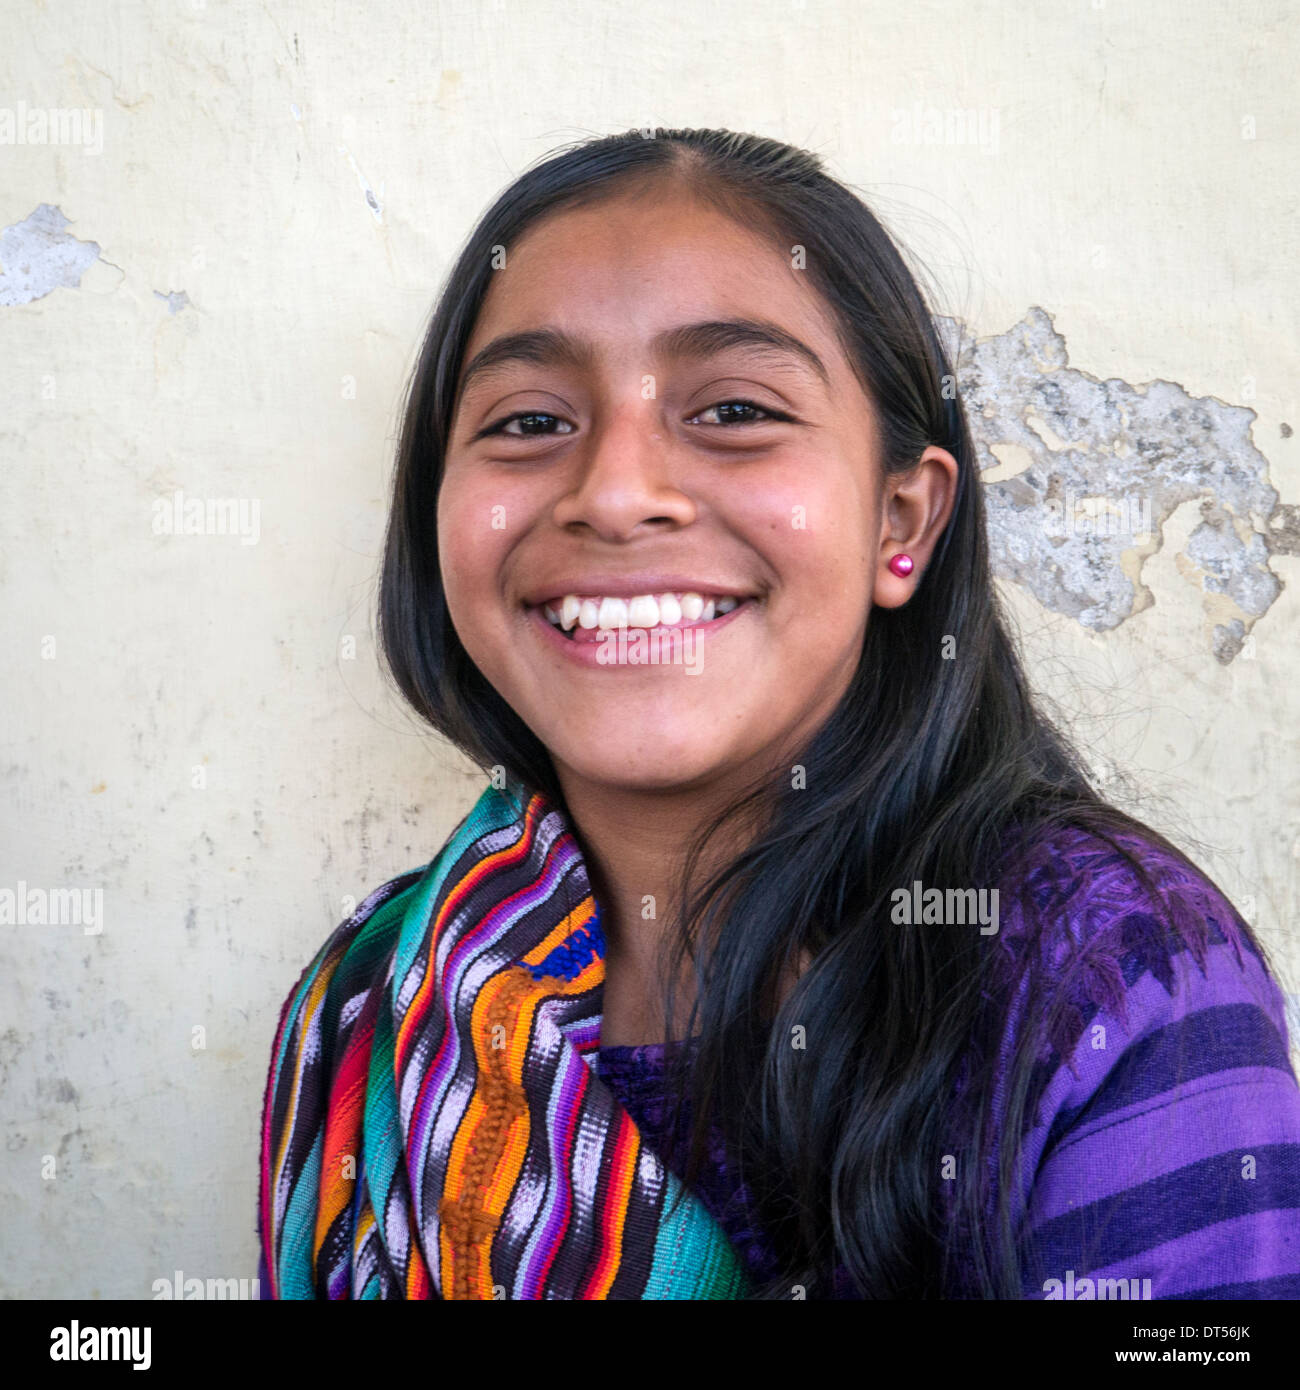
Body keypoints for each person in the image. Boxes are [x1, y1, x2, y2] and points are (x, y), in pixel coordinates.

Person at [257, 128, 1300, 1299]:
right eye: (531, 421)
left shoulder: (1110, 981)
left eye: (734, 409)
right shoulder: (373, 997)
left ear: (900, 523)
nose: (613, 493)